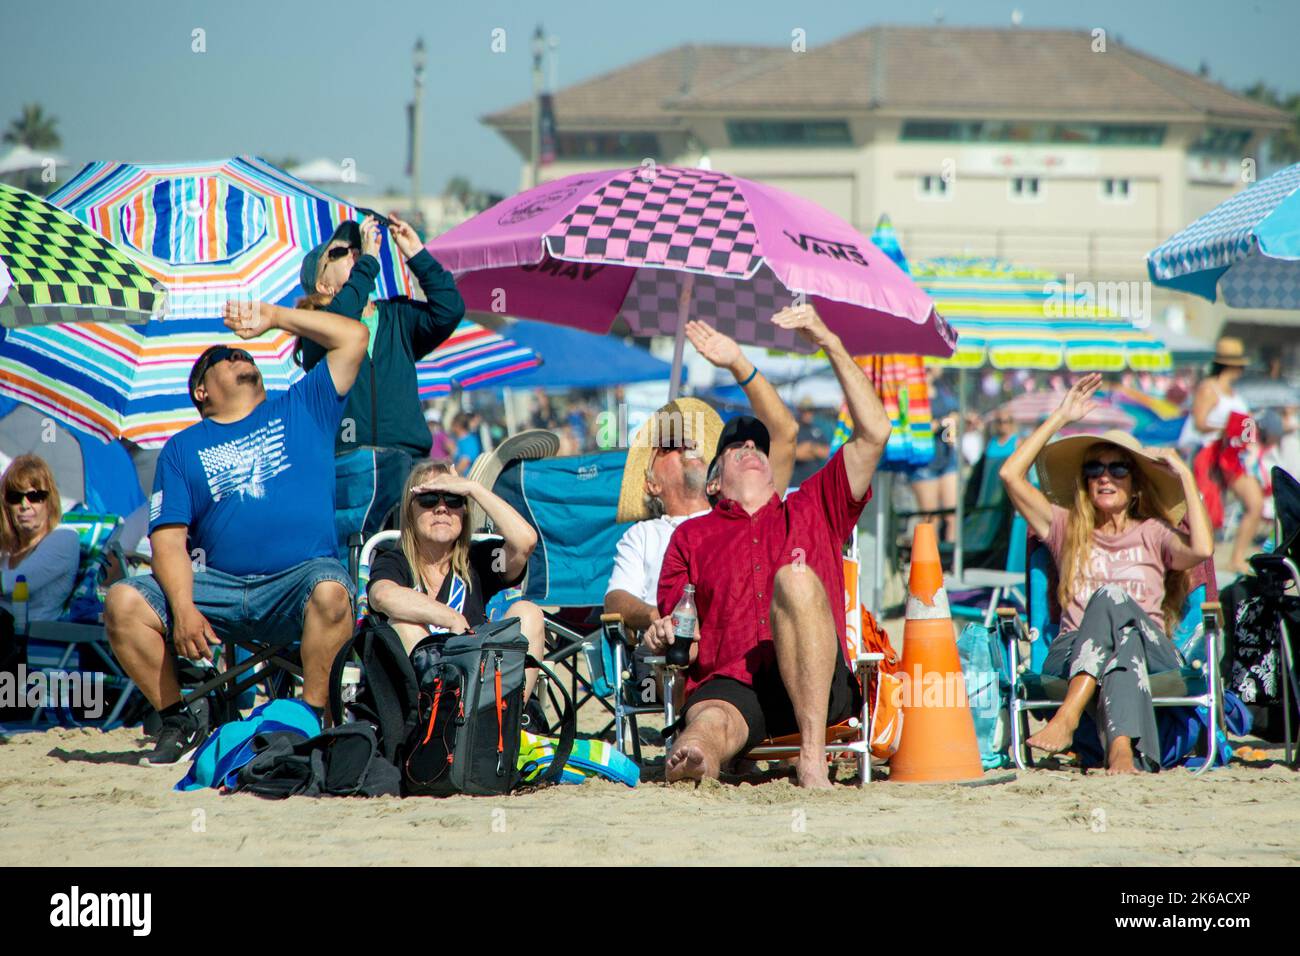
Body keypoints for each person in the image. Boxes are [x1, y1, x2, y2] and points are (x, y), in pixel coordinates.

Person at [104, 297, 370, 766]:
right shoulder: (182, 449)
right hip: (220, 591)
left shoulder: (305, 406)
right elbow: (167, 540)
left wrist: (274, 318)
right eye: (222, 358)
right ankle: (177, 718)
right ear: (201, 391)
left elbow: (353, 336)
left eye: (243, 353)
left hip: (299, 583)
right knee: (123, 602)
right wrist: (183, 608)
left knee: (332, 591)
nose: (239, 356)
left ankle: (305, 723)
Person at [647, 304, 889, 789]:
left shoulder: (815, 505)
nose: (752, 450)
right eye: (737, 449)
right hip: (734, 686)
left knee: (795, 577)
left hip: (816, 680)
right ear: (714, 482)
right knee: (708, 724)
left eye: (759, 446)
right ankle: (696, 758)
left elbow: (876, 432)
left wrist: (828, 341)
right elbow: (680, 626)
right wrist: (663, 632)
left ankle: (812, 762)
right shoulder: (690, 537)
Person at [999, 373, 1214, 774]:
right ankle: (1120, 754)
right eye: (1095, 469)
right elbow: (1010, 474)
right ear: (1084, 483)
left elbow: (1202, 549)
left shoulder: (1154, 533)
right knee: (1123, 640)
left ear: (1135, 486)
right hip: (1072, 646)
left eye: (1118, 469)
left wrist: (1185, 477)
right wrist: (1060, 416)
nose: (1105, 476)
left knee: (1113, 601)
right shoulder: (1066, 528)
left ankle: (1068, 715)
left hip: (1156, 650)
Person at [604, 320, 798, 635]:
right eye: (669, 445)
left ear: (715, 482)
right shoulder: (644, 536)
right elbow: (615, 601)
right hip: (671, 656)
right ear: (652, 485)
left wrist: (739, 364)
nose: (687, 444)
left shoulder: (742, 509)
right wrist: (666, 615)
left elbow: (785, 433)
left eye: (692, 439)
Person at [297, 214, 466, 553]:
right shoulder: (316, 327)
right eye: (341, 252)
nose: (354, 253)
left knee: (421, 559)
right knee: (364, 561)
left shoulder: (397, 316)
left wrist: (416, 252)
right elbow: (340, 321)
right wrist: (370, 261)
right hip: (355, 471)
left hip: (410, 464)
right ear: (323, 285)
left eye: (356, 249)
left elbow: (449, 309)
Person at [365, 459, 546, 699]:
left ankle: (507, 724)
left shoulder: (480, 561)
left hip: (480, 697)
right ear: (410, 510)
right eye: (429, 499)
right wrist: (451, 618)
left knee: (529, 612)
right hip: (424, 710)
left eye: (453, 498)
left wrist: (473, 488)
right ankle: (436, 727)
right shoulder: (395, 561)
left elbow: (525, 542)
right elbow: (382, 595)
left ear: (464, 511)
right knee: (405, 625)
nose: (442, 508)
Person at [1178, 336, 1260, 574]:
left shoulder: (1231, 391)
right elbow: (1199, 423)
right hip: (1212, 452)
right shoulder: (1209, 388)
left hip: (1233, 454)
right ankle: (1198, 565)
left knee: (1254, 504)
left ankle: (1236, 557)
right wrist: (1227, 428)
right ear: (1231, 365)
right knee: (1206, 512)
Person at [0, 455, 79, 622]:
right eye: (14, 497)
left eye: (35, 497)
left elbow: (16, 583)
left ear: (50, 501)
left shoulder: (64, 537)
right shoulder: (7, 546)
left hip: (33, 639)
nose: (24, 505)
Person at [908, 366, 959, 541]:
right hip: (923, 464)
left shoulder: (943, 391)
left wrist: (952, 423)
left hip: (947, 459)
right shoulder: (910, 394)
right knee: (931, 519)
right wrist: (936, 425)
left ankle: (952, 564)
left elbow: (955, 413)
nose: (929, 370)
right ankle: (931, 563)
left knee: (953, 516)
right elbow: (912, 426)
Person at [791, 400, 830, 487]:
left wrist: (811, 447)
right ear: (799, 410)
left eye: (810, 410)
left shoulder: (816, 429)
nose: (808, 413)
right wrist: (816, 452)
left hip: (815, 484)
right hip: (796, 485)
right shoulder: (794, 429)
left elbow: (827, 452)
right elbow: (793, 454)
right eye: (805, 410)